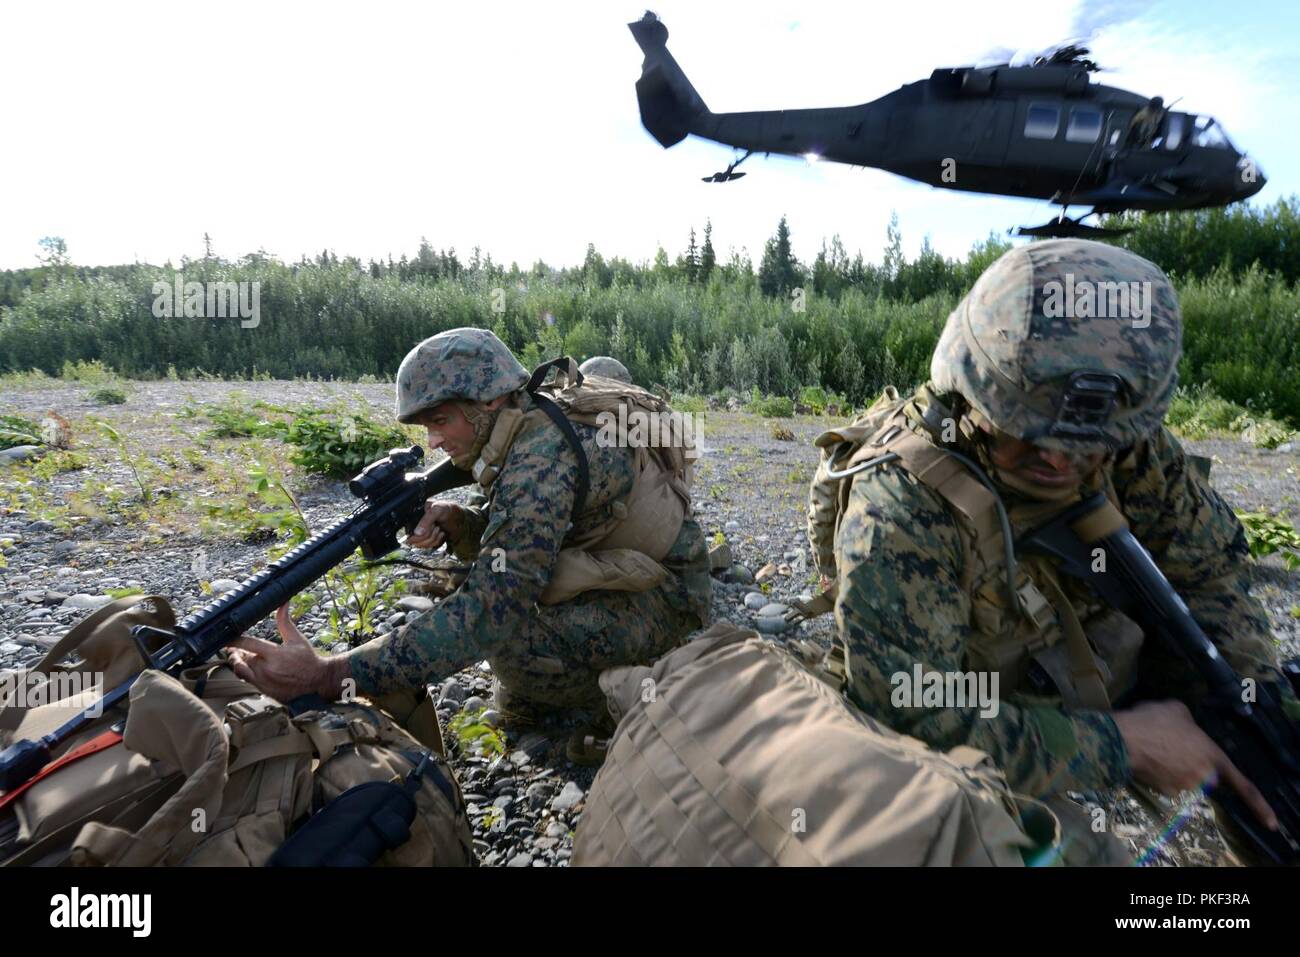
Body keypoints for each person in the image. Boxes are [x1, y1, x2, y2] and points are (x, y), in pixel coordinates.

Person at [824, 239, 1299, 864]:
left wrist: (1243, 709)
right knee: (1063, 853)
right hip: (971, 709)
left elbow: (1207, 572)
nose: (1058, 458)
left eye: (1086, 445)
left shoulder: (1129, 443)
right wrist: (1122, 745)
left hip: (1088, 664)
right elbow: (912, 709)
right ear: (972, 387)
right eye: (1028, 430)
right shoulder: (901, 501)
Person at [227, 328, 711, 763]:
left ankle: (633, 690)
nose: (434, 442)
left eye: (441, 421)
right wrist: (461, 525)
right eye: (425, 428)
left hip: (670, 595)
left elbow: (489, 613)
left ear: (491, 402)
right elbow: (530, 532)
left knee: (515, 651)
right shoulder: (525, 423)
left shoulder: (542, 458)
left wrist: (329, 674)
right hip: (621, 561)